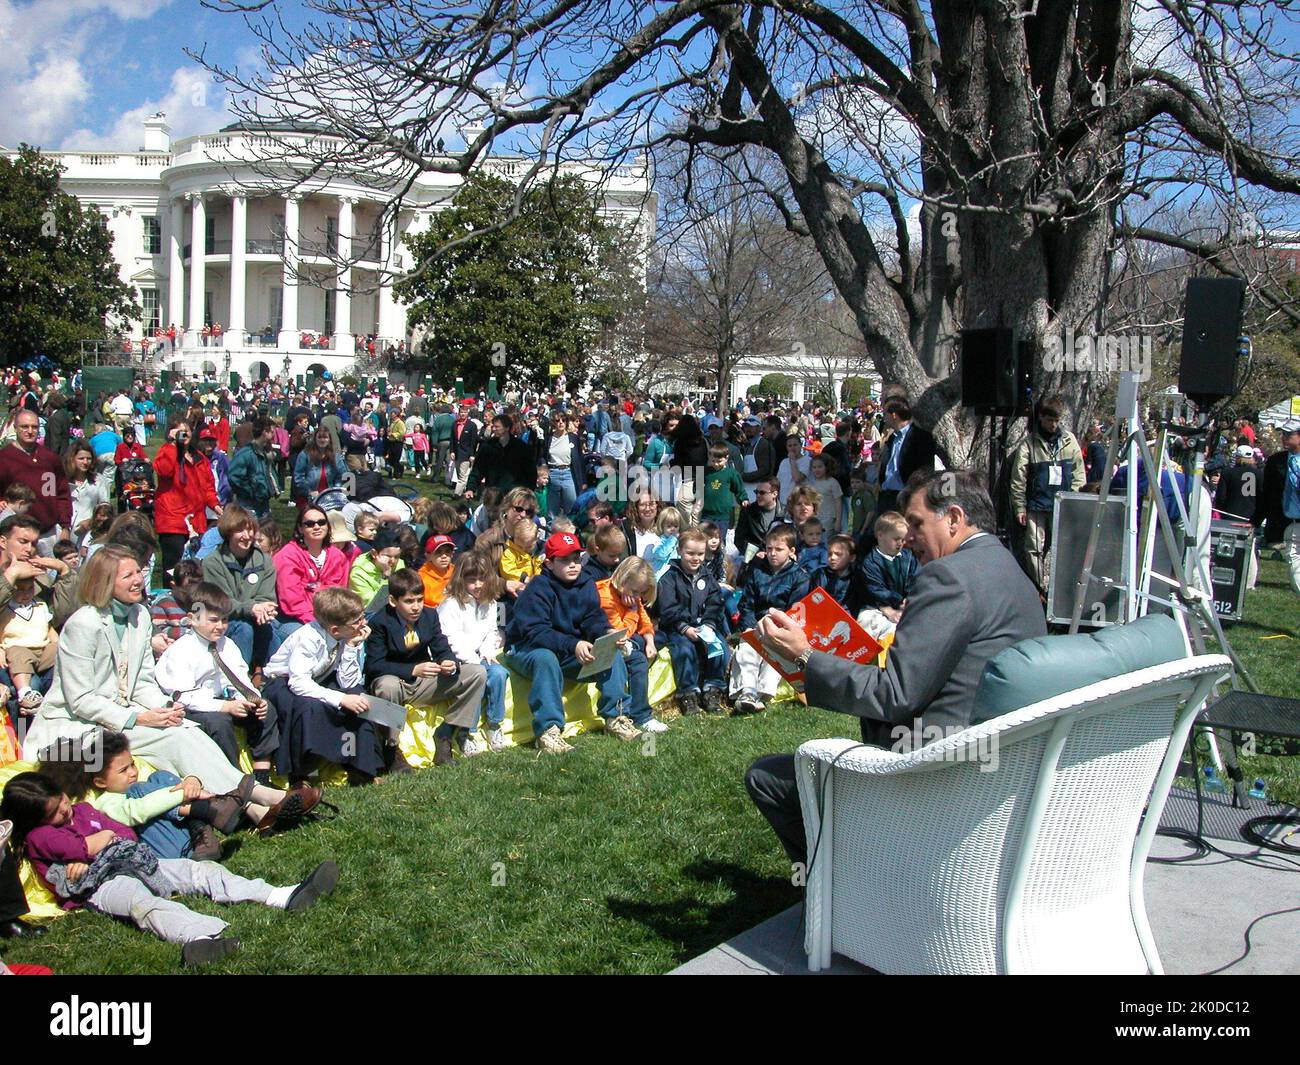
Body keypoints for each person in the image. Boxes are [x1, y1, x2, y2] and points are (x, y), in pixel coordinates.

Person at [744, 470, 1047, 865]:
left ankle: (840, 893)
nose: (908, 538)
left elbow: (894, 695)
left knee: (767, 778)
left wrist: (806, 656)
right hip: (998, 771)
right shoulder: (1012, 570)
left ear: (954, 518)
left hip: (931, 777)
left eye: (917, 524)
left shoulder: (948, 576)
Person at [20, 546, 320, 835]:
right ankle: (264, 797)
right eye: (128, 576)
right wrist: (139, 719)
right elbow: (81, 700)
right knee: (174, 740)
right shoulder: (82, 624)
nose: (138, 579)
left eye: (139, 571)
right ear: (105, 582)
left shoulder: (139, 615)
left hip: (125, 714)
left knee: (187, 729)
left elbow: (143, 682)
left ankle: (255, 812)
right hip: (79, 724)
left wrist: (165, 708)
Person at [0, 770, 339, 968]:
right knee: (142, 904)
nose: (65, 810)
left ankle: (280, 895)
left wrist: (99, 841)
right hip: (101, 886)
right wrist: (94, 844)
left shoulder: (83, 809)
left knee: (201, 872)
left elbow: (123, 833)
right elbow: (81, 847)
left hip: (136, 861)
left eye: (62, 800)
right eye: (55, 813)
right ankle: (199, 938)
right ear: (36, 822)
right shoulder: (40, 837)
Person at [502, 531, 636, 753]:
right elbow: (536, 632)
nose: (573, 565)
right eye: (565, 560)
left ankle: (617, 717)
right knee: (546, 658)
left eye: (576, 559)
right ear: (549, 563)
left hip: (565, 649)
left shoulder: (585, 583)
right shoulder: (538, 588)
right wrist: (573, 645)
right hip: (524, 648)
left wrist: (606, 632)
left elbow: (592, 617)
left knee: (610, 649)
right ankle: (548, 731)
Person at [155, 583, 280, 783]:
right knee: (219, 722)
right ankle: (234, 778)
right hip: (188, 706)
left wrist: (252, 699)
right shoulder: (182, 650)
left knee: (266, 711)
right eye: (213, 620)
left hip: (220, 700)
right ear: (194, 618)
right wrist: (225, 706)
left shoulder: (226, 645)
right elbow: (183, 695)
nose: (220, 626)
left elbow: (238, 678)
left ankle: (262, 775)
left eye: (224, 620)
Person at [365, 567, 489, 767]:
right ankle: (391, 748)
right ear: (392, 601)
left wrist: (448, 663)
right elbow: (374, 666)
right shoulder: (380, 622)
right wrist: (413, 670)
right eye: (409, 601)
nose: (416, 607)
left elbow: (442, 648)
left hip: (424, 682)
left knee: (477, 673)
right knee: (387, 686)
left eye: (419, 600)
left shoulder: (430, 616)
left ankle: (446, 734)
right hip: (395, 682)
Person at [1008, 394, 1086, 595]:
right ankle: (1039, 587)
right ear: (1041, 417)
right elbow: (1019, 478)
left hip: (1063, 504)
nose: (1053, 425)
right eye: (1050, 420)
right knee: (1033, 547)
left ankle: (1059, 590)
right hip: (1036, 504)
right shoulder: (1029, 444)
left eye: (1056, 421)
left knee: (1062, 547)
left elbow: (1079, 473)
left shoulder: (1069, 441)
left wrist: (1074, 499)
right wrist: (1019, 506)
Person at [729, 525, 811, 714]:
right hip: (756, 623)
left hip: (781, 627)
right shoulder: (757, 570)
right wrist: (749, 627)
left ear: (791, 551)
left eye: (779, 549)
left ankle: (764, 693)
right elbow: (747, 603)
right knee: (747, 647)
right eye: (769, 548)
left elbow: (795, 611)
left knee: (776, 651)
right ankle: (748, 691)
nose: (772, 554)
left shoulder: (799, 577)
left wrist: (775, 628)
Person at [201, 506, 288, 675]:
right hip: (225, 620)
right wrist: (251, 608)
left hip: (258, 617)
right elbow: (222, 602)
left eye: (250, 530)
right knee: (244, 629)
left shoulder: (264, 560)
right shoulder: (212, 562)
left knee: (267, 628)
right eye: (240, 530)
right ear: (228, 532)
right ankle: (238, 679)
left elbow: (267, 595)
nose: (247, 536)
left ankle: (276, 675)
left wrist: (264, 608)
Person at [438, 551, 510, 752]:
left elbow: (491, 631)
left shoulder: (490, 603)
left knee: (499, 673)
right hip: (458, 659)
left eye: (482, 579)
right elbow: (450, 639)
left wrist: (488, 650)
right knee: (477, 678)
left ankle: (494, 724)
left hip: (480, 655)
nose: (478, 585)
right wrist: (473, 660)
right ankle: (466, 730)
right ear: (461, 581)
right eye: (472, 580)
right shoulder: (451, 605)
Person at [657, 527, 730, 716]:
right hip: (677, 629)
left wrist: (709, 624)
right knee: (684, 650)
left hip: (703, 626)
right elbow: (668, 609)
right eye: (690, 553)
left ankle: (713, 688)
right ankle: (688, 694)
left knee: (719, 646)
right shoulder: (669, 578)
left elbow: (716, 603)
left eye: (700, 554)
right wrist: (684, 627)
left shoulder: (707, 576)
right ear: (679, 551)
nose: (695, 558)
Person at [595, 556, 663, 734]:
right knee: (636, 657)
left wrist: (649, 640)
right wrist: (632, 611)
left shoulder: (632, 594)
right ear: (622, 580)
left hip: (625, 641)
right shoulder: (605, 595)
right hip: (605, 643)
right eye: (635, 592)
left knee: (640, 657)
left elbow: (645, 619)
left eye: (641, 593)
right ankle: (627, 714)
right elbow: (619, 631)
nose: (638, 597)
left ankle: (642, 716)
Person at [154, 417, 222, 578]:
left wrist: (216, 506)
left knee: (194, 569)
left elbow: (207, 487)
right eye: (179, 431)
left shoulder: (199, 458)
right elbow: (164, 471)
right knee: (175, 570)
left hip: (196, 521)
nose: (184, 435)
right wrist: (172, 444)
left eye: (187, 431)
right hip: (173, 521)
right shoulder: (166, 452)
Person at [0, 408, 71, 549]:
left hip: (49, 532)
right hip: (16, 535)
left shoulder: (50, 458)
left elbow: (62, 493)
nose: (30, 431)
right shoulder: (4, 458)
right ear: (15, 428)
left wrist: (65, 526)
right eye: (24, 427)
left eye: (34, 427)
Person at [273, 505, 353, 625]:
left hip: (330, 617)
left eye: (321, 522)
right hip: (293, 619)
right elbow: (292, 601)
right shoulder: (287, 556)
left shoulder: (337, 556)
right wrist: (317, 624)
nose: (317, 527)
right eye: (309, 524)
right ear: (300, 528)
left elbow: (339, 593)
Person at [858, 511, 918, 642]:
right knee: (866, 621)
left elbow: (915, 579)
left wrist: (908, 599)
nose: (901, 543)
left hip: (906, 605)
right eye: (896, 539)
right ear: (880, 535)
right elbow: (875, 589)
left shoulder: (909, 557)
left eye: (903, 539)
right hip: (878, 606)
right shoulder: (871, 562)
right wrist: (894, 603)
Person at [0, 575, 58, 712]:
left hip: (43, 649)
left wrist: (59, 643)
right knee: (31, 681)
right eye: (20, 589)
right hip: (17, 651)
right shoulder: (5, 610)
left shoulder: (39, 604)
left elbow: (49, 629)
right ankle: (25, 693)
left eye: (30, 588)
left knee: (61, 651)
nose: (26, 593)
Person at [875, 397, 939, 516]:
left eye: (885, 413)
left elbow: (925, 469)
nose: (884, 417)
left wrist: (912, 491)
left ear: (894, 415)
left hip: (906, 497)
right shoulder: (892, 438)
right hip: (886, 498)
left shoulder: (920, 437)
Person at [466, 414, 537, 496]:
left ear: (507, 428)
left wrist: (528, 491)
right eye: (493, 426)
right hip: (492, 493)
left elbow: (530, 472)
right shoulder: (487, 446)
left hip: (514, 495)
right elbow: (478, 468)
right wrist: (470, 488)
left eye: (497, 427)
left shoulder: (521, 448)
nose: (493, 429)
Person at [227, 416, 277, 521]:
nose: (274, 435)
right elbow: (234, 477)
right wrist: (252, 492)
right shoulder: (246, 453)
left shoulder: (264, 452)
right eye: (272, 431)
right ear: (264, 432)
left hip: (263, 504)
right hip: (248, 505)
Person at [348, 524, 405, 609]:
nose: (393, 561)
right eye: (388, 556)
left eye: (396, 556)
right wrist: (386, 577)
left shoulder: (399, 564)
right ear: (374, 553)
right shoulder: (358, 573)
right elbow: (373, 606)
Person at [700, 443, 746, 544]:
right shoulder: (705, 471)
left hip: (722, 515)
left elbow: (739, 489)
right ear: (709, 457)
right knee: (704, 540)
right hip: (706, 514)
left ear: (726, 458)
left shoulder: (731, 473)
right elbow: (697, 488)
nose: (716, 464)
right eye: (713, 461)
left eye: (719, 461)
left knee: (719, 541)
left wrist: (743, 499)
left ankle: (720, 558)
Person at [292, 427, 347, 508]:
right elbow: (298, 476)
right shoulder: (305, 454)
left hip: (330, 497)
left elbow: (343, 475)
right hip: (309, 497)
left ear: (329, 439)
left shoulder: (336, 456)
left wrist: (336, 489)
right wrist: (309, 492)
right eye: (319, 437)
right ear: (315, 438)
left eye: (325, 437)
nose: (322, 440)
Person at [418, 533, 457, 607]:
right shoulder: (421, 577)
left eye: (447, 551)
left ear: (452, 554)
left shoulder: (456, 572)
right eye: (438, 552)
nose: (444, 556)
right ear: (428, 556)